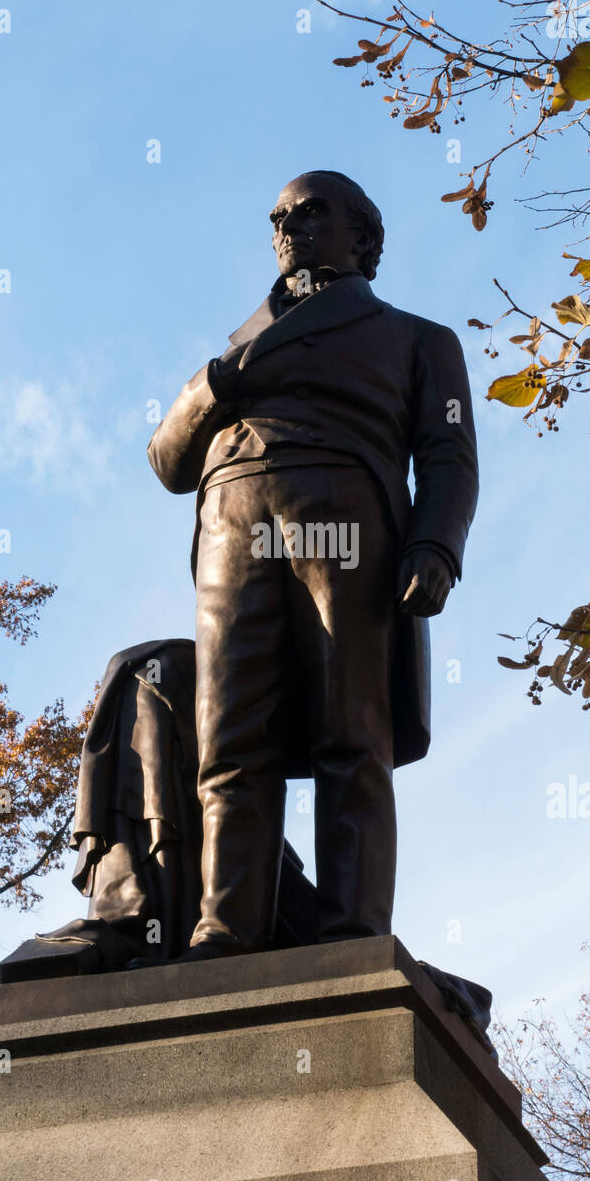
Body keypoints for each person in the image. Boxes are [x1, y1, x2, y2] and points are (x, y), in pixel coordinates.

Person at [147, 171, 478, 960]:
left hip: (345, 519)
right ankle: (225, 930)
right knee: (230, 739)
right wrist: (211, 388)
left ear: (363, 238)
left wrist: (433, 544)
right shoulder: (231, 353)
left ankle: (352, 934)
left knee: (349, 733)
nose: (290, 226)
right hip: (230, 526)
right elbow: (166, 462)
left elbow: (448, 455)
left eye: (312, 212)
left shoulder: (417, 338)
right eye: (279, 218)